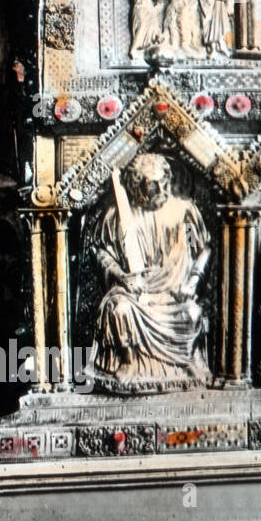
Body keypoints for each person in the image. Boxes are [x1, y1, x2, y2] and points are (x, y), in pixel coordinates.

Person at [92, 154, 211, 393]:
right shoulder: (120, 215)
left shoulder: (182, 213)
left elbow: (199, 248)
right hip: (135, 291)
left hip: (173, 291)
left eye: (164, 182)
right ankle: (129, 362)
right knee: (120, 310)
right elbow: (103, 252)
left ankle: (189, 359)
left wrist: (193, 281)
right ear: (137, 184)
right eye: (152, 184)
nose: (160, 188)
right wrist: (122, 277)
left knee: (191, 313)